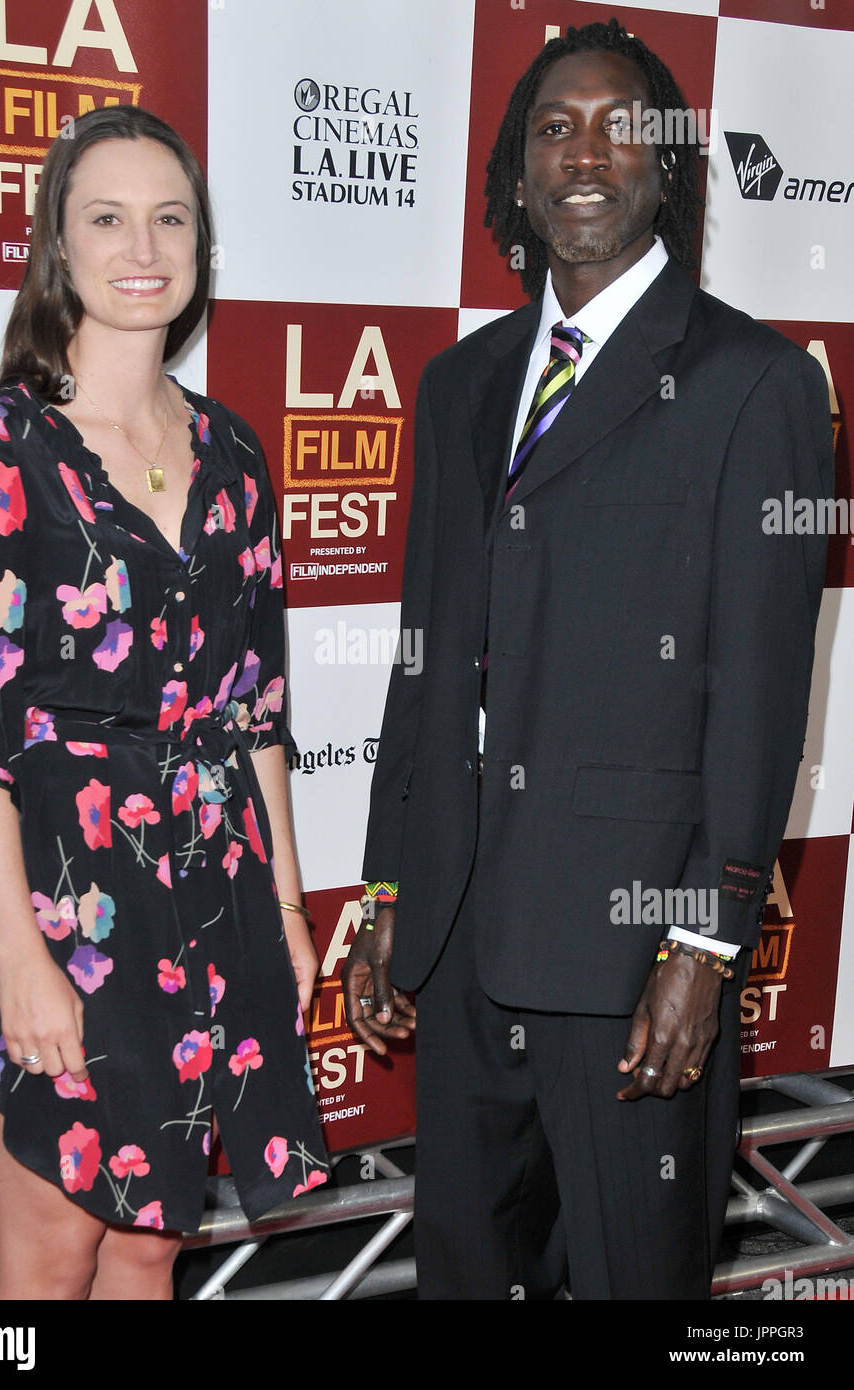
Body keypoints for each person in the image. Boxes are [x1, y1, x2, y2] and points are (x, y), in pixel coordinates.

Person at [343, 18, 833, 1300]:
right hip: (455, 937)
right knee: (464, 1274)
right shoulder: (459, 385)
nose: (585, 154)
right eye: (555, 128)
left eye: (621, 125)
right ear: (515, 172)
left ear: (666, 163)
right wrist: (388, 889)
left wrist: (707, 945)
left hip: (629, 959)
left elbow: (760, 690)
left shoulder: (752, 383)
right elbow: (423, 657)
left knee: (632, 1279)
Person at [0, 105, 328, 1301]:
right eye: (106, 217)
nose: (141, 246)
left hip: (218, 883)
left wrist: (287, 910)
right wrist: (26, 960)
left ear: (200, 246)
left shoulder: (237, 454)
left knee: (152, 1240)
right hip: (67, 902)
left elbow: (256, 710)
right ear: (57, 245)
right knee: (53, 1251)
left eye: (169, 218)